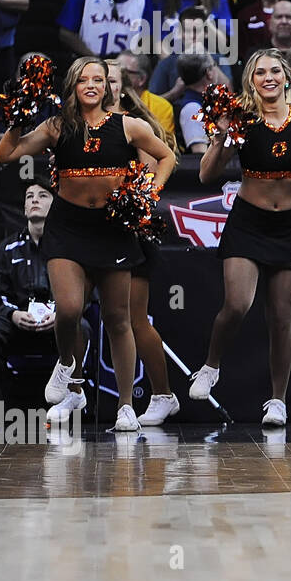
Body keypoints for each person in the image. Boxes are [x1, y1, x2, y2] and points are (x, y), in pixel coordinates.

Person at [0, 56, 176, 430]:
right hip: (68, 229)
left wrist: (147, 196)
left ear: (109, 87)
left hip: (113, 229)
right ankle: (66, 368)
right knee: (70, 309)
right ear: (73, 86)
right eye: (83, 79)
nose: (92, 85)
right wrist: (17, 119)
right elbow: (5, 154)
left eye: (99, 80)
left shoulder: (127, 125)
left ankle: (125, 406)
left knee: (118, 320)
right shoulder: (57, 126)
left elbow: (167, 156)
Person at [189, 48, 291, 426]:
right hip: (247, 223)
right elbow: (205, 175)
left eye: (274, 71)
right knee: (237, 304)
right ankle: (210, 366)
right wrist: (219, 136)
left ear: (286, 76)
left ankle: (277, 401)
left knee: (281, 317)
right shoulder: (242, 120)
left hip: (289, 226)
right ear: (250, 81)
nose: (268, 78)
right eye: (259, 73)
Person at [102, 58, 183, 426]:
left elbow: (153, 174)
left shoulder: (134, 125)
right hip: (85, 231)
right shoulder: (77, 123)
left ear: (121, 85)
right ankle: (70, 391)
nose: (103, 85)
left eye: (110, 80)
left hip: (128, 229)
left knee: (134, 318)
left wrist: (131, 205)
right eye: (96, 78)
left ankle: (163, 395)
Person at [0, 180, 86, 404]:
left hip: (58, 326)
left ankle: (74, 398)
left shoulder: (69, 246)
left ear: (55, 205)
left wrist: (60, 315)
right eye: (29, 196)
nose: (34, 199)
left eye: (42, 195)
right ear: (25, 209)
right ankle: (0, 402)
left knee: (81, 327)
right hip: (19, 324)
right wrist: (13, 315)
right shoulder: (8, 248)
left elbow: (84, 295)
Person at [149, 5, 232, 106]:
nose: (193, 36)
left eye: (197, 31)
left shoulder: (218, 59)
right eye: (188, 31)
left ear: (206, 33)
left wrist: (209, 60)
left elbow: (230, 94)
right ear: (180, 33)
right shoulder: (167, 63)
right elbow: (150, 104)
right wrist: (175, 92)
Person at [114, 50, 173, 137]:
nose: (116, 75)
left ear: (141, 79)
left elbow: (165, 142)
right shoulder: (105, 101)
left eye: (123, 72)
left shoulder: (161, 106)